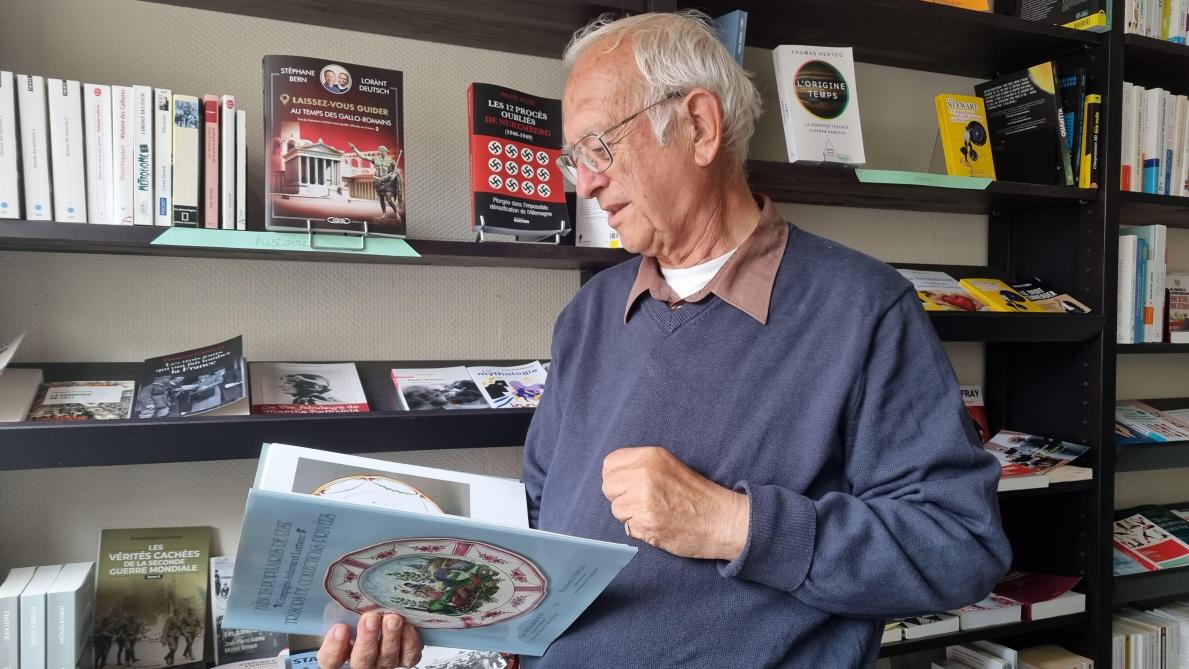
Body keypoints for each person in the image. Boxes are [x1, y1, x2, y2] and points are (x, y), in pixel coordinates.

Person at [320, 10, 1010, 669]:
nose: (584, 183)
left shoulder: (862, 307)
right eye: (572, 160)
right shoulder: (589, 313)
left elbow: (959, 547)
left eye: (597, 146)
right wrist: (425, 606)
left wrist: (735, 524)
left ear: (699, 126)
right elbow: (535, 519)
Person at [348, 143, 403, 220]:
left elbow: (396, 171)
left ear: (386, 151)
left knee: (389, 199)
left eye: (382, 150)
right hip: (379, 182)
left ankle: (396, 213)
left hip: (387, 182)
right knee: (381, 199)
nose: (380, 152)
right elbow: (363, 157)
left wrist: (393, 175)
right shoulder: (375, 159)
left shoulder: (390, 161)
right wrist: (354, 149)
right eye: (379, 150)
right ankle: (384, 213)